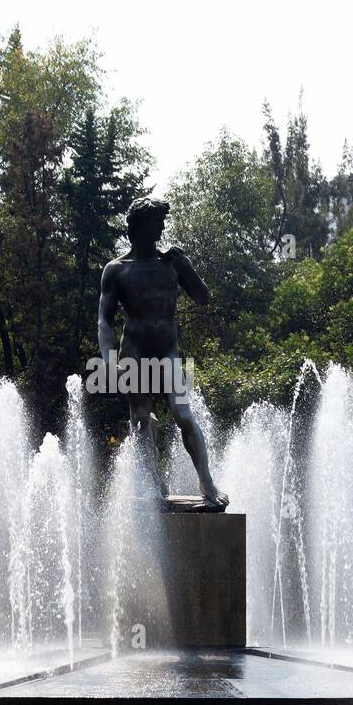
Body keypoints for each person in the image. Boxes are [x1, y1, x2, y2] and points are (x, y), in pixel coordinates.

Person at [97, 196, 228, 509]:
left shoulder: (171, 263)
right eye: (157, 220)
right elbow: (104, 318)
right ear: (140, 225)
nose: (162, 226)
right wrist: (107, 357)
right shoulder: (116, 270)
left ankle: (207, 483)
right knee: (141, 419)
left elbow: (203, 297)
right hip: (135, 350)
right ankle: (156, 484)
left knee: (183, 414)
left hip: (168, 349)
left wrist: (187, 267)